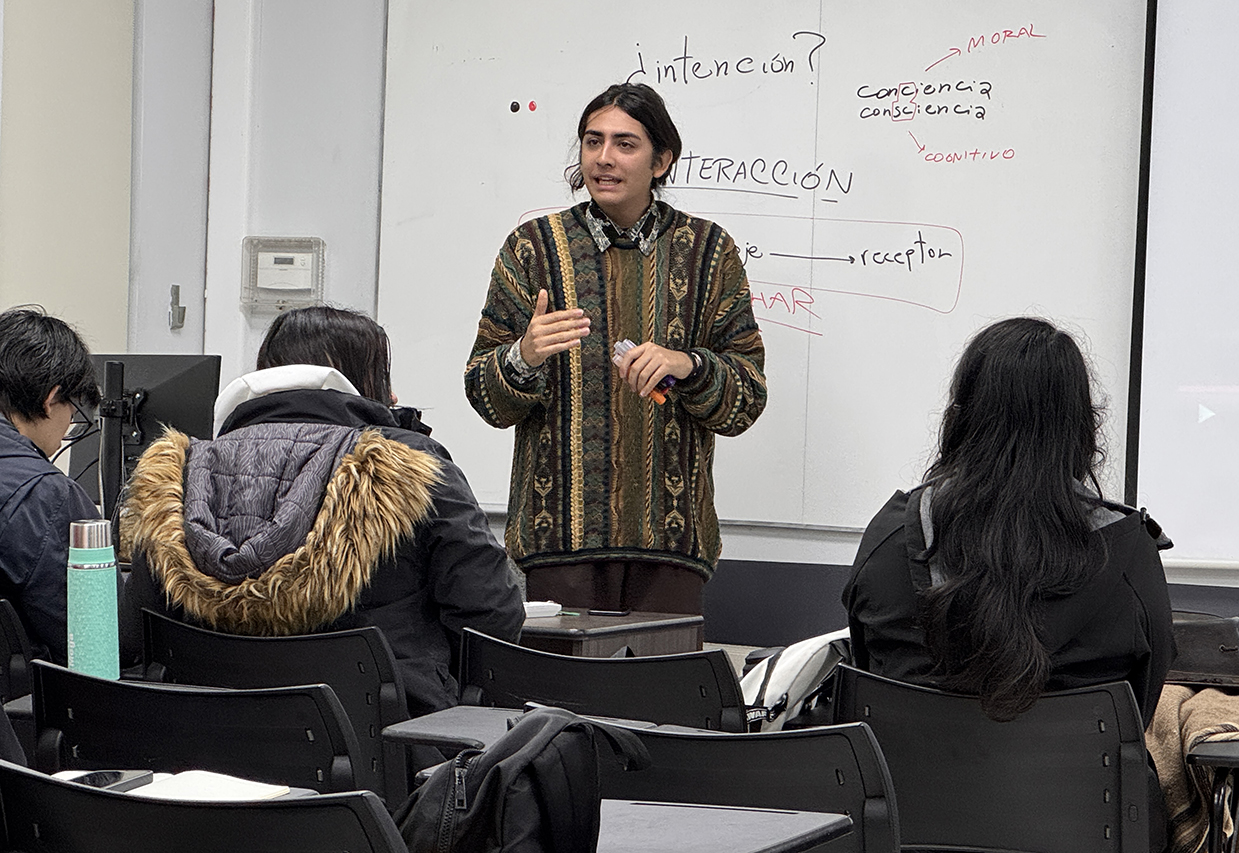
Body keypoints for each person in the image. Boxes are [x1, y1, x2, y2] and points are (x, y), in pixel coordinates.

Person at [843, 316, 1174, 850]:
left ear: (959, 419)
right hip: (1089, 835)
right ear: (1082, 429)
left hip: (909, 835)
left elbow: (866, 672)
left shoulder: (889, 538)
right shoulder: (1131, 551)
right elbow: (1143, 703)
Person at [120, 306, 524, 716]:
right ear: (357, 381)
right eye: (382, 378)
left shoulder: (175, 473)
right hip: (388, 743)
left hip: (204, 747)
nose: (395, 397)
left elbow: (136, 634)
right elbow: (491, 617)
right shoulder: (407, 462)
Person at [464, 82, 767, 615]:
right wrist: (523, 357)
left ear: (661, 160)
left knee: (659, 695)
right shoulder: (532, 248)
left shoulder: (708, 250)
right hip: (558, 541)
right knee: (558, 698)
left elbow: (747, 398)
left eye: (625, 144)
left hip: (671, 545)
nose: (604, 158)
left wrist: (689, 365)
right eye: (592, 141)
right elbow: (484, 397)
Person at [0, 307, 103, 666]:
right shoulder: (45, 496)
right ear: (51, 398)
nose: (71, 423)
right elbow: (95, 639)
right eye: (73, 408)